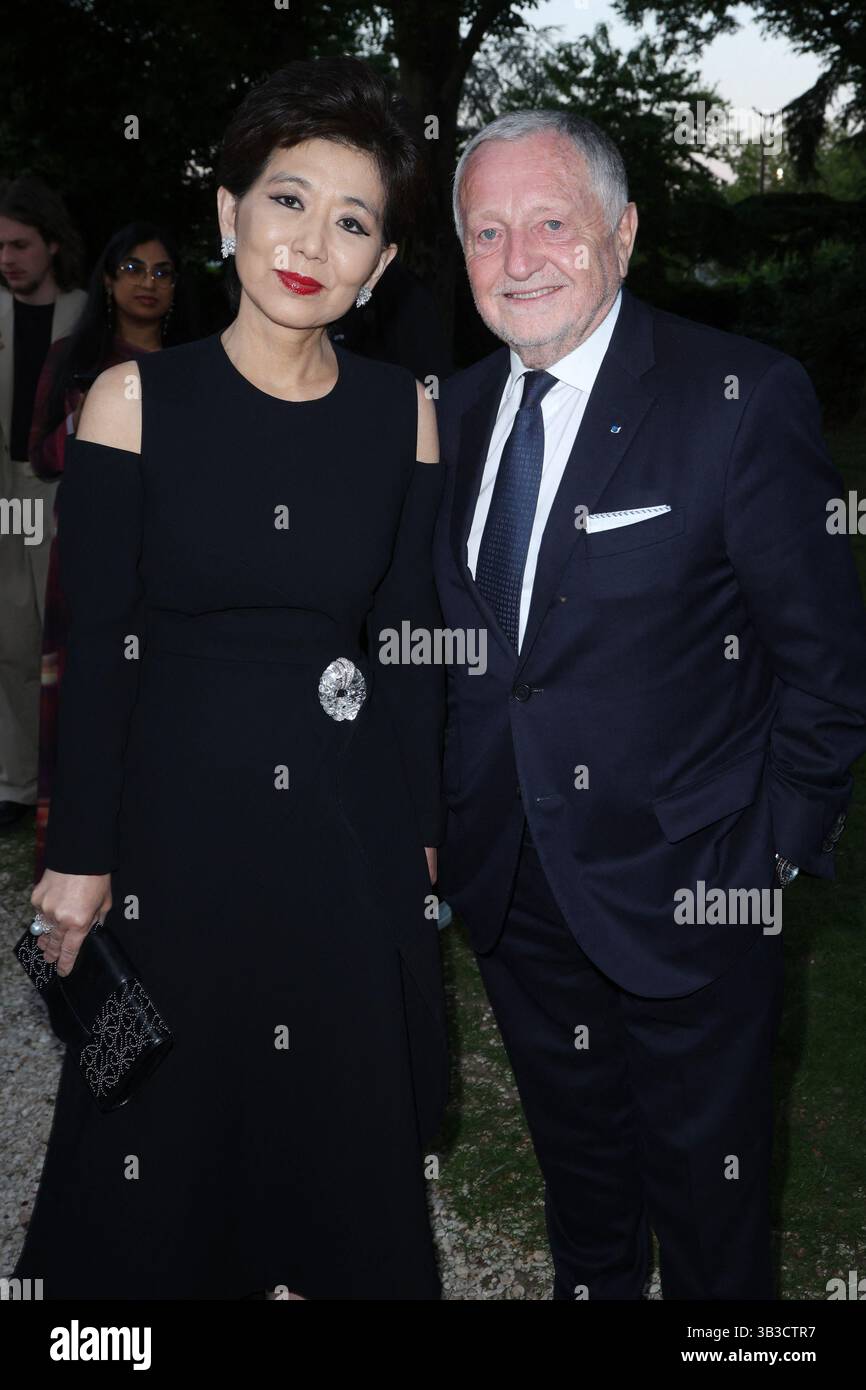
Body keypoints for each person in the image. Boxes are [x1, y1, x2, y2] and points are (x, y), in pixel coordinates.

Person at [13, 56, 448, 1301]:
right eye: (287, 200)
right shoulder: (131, 398)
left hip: (347, 827)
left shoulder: (401, 412)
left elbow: (408, 641)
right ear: (227, 215)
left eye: (352, 221)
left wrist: (419, 843)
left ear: (376, 267)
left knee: (339, 1129)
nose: (313, 240)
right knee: (160, 1132)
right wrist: (80, 853)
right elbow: (93, 648)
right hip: (177, 828)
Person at [434, 110, 866, 1300]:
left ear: (619, 236)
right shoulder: (454, 417)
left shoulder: (739, 398)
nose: (517, 256)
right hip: (515, 896)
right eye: (485, 231)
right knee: (583, 1199)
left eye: (550, 223)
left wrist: (764, 860)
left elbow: (828, 671)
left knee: (714, 1224)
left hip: (693, 894)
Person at [30, 222, 182, 881]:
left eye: (162, 271)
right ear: (109, 280)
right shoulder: (74, 357)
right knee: (83, 712)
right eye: (133, 268)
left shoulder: (200, 365)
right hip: (87, 566)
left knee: (161, 712)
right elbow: (42, 455)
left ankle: (155, 881)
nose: (147, 282)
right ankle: (67, 893)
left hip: (172, 567)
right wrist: (93, 414)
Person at [0, 176, 86, 832]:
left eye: (20, 245)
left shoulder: (85, 314)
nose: (7, 258)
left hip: (59, 486)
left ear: (52, 246)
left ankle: (72, 781)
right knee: (10, 639)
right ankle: (16, 784)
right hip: (4, 486)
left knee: (64, 640)